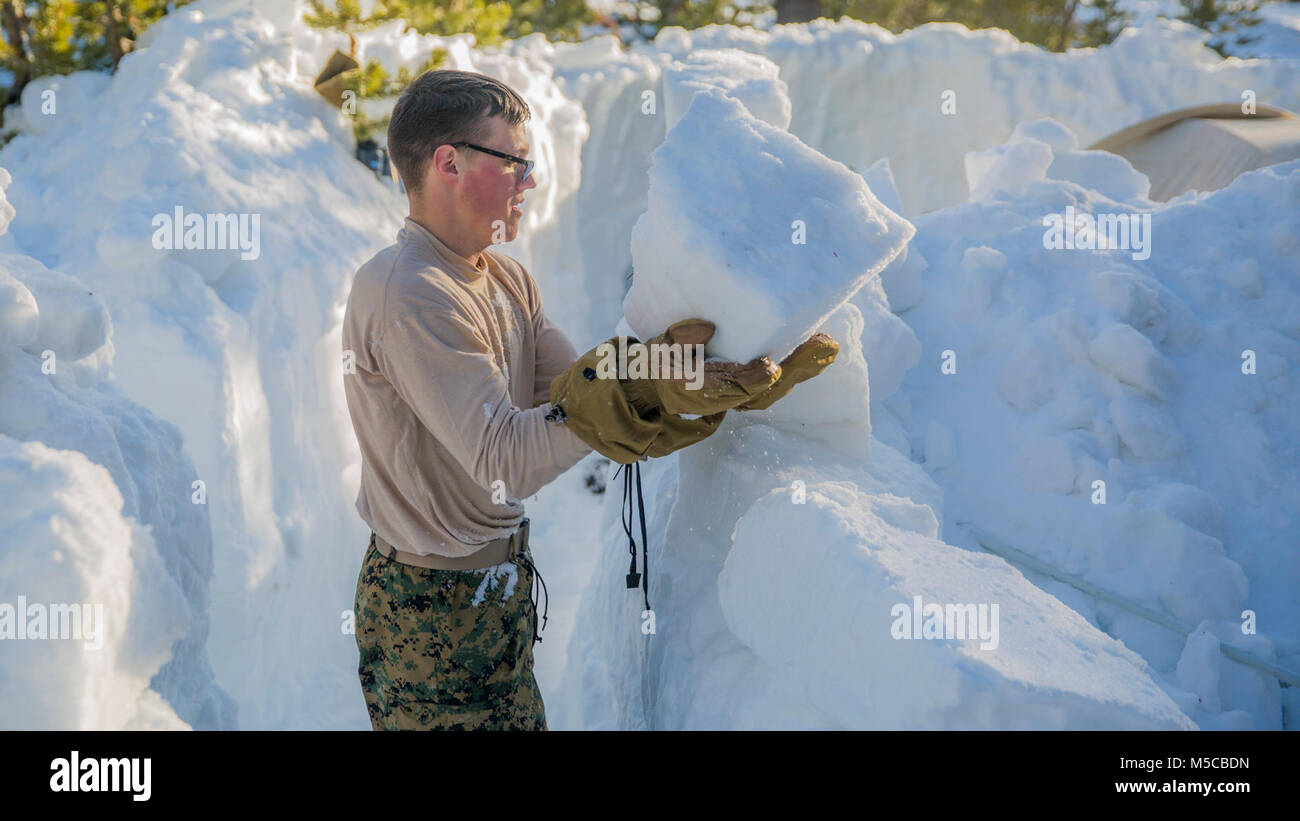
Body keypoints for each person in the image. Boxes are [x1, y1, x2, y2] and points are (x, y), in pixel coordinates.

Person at [341, 69, 836, 731]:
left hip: (499, 588)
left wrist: (710, 373)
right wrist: (640, 386)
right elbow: (506, 458)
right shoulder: (408, 289)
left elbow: (578, 395)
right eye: (513, 161)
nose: (531, 180)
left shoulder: (505, 277)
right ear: (448, 163)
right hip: (427, 611)